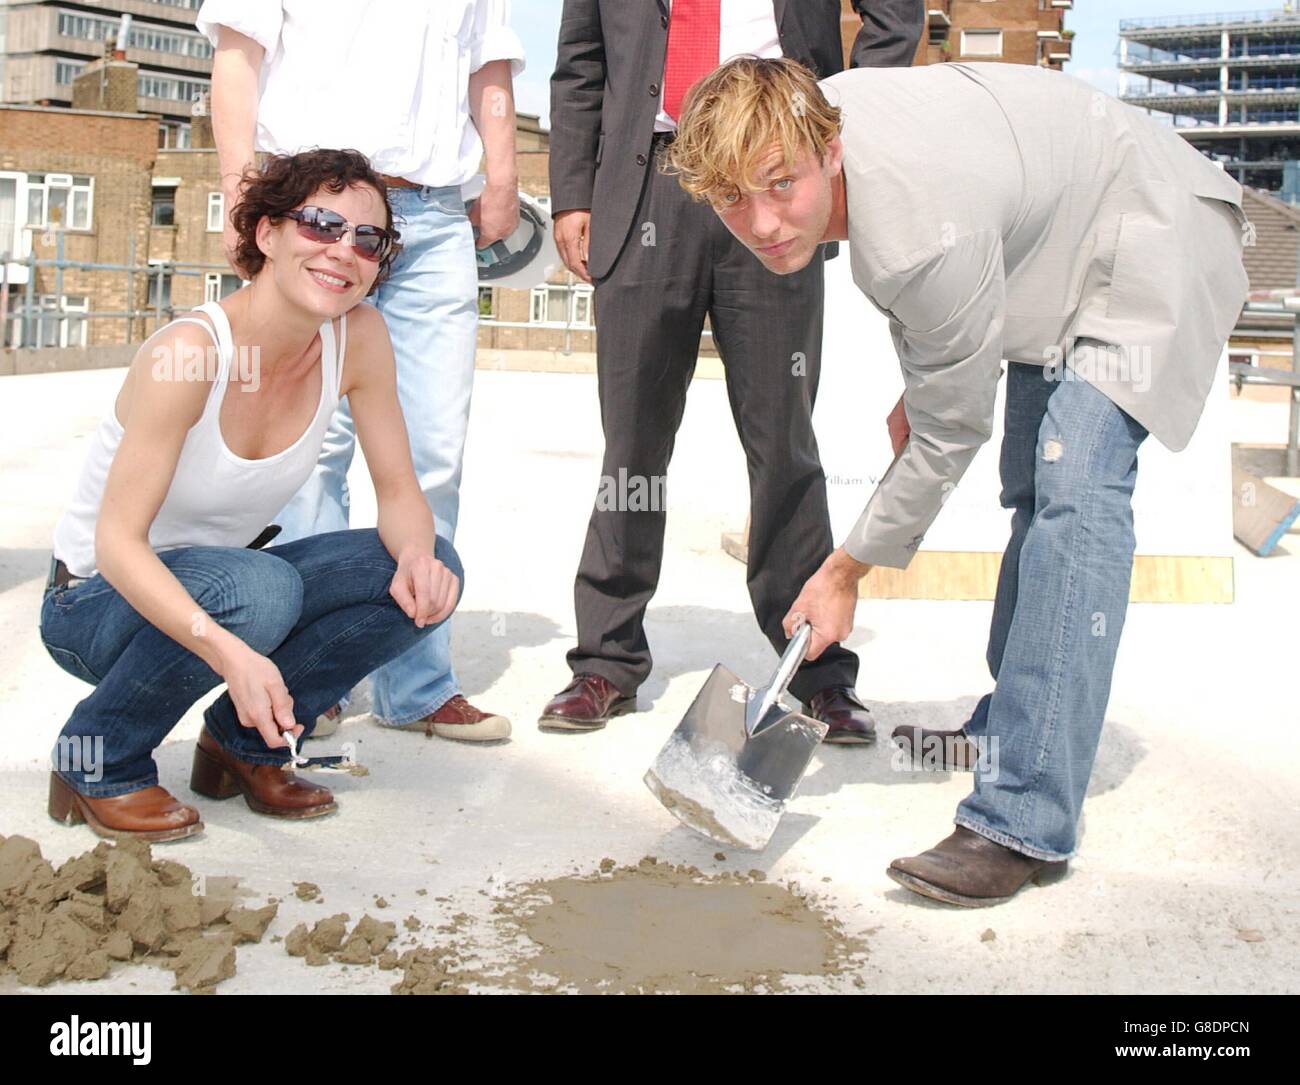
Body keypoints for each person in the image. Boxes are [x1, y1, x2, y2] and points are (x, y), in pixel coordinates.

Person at [664, 57, 1250, 905]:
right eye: (732, 201)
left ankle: (1023, 817)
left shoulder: (916, 222)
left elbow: (948, 430)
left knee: (1075, 487)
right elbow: (945, 323)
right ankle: (1018, 719)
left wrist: (842, 572)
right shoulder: (807, 115)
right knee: (1030, 486)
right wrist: (933, 377)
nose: (761, 224)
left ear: (828, 149)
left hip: (1150, 233)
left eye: (779, 186)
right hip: (1057, 242)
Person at [40, 150, 463, 842]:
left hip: (225, 586)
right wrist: (232, 654)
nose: (344, 251)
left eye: (367, 239)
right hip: (92, 604)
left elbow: (399, 492)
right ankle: (97, 757)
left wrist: (417, 555)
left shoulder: (358, 337)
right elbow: (116, 546)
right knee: (259, 588)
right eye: (322, 224)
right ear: (267, 234)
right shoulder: (190, 352)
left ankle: (245, 745)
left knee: (426, 572)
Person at [539, 0, 923, 740]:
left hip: (773, 177)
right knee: (632, 443)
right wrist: (573, 193)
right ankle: (605, 660)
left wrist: (841, 128)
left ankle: (815, 668)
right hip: (648, 178)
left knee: (784, 442)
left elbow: (896, 15)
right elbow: (581, 60)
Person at [199, 0, 522, 742]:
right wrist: (237, 187)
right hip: (315, 216)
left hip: (434, 217)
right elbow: (238, 55)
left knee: (432, 451)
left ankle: (417, 682)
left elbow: (489, 59)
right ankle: (312, 676)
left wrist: (500, 174)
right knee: (309, 455)